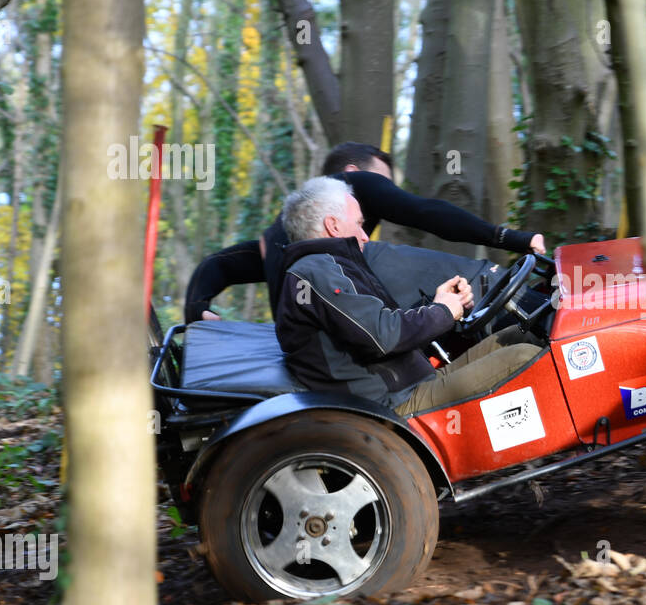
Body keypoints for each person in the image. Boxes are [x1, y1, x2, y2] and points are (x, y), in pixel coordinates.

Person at [184, 141, 546, 322]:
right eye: (383, 185)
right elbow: (426, 214)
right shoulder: (352, 184)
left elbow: (217, 265)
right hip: (349, 333)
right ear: (356, 173)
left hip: (312, 347)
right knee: (472, 285)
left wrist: (197, 314)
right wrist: (510, 237)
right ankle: (546, 317)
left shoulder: (277, 237)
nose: (387, 200)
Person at [275, 176, 542, 415]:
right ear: (332, 225)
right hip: (394, 405)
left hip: (413, 383)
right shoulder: (315, 271)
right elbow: (381, 337)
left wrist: (442, 304)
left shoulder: (326, 267)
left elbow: (374, 326)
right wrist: (443, 312)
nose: (365, 236)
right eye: (358, 224)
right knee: (525, 357)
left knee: (521, 334)